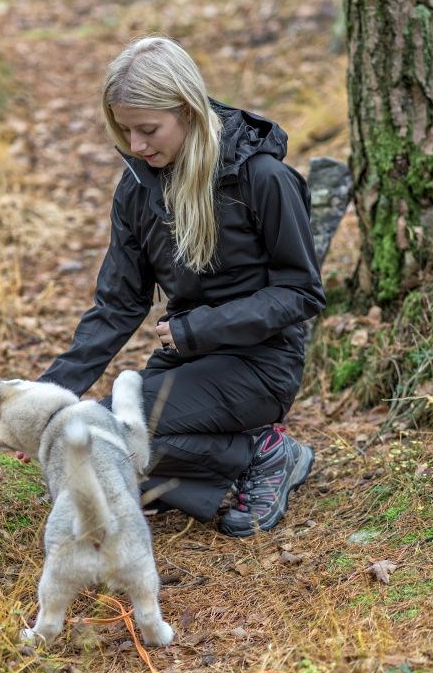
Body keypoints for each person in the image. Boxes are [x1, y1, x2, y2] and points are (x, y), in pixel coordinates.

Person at [34, 36, 326, 537]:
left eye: (148, 130)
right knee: (84, 441)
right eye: (124, 131)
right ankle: (241, 452)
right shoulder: (138, 188)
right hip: (187, 360)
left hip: (260, 365)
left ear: (187, 111)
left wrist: (199, 328)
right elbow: (119, 304)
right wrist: (50, 395)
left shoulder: (263, 178)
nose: (137, 146)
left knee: (105, 438)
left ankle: (264, 453)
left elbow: (302, 293)